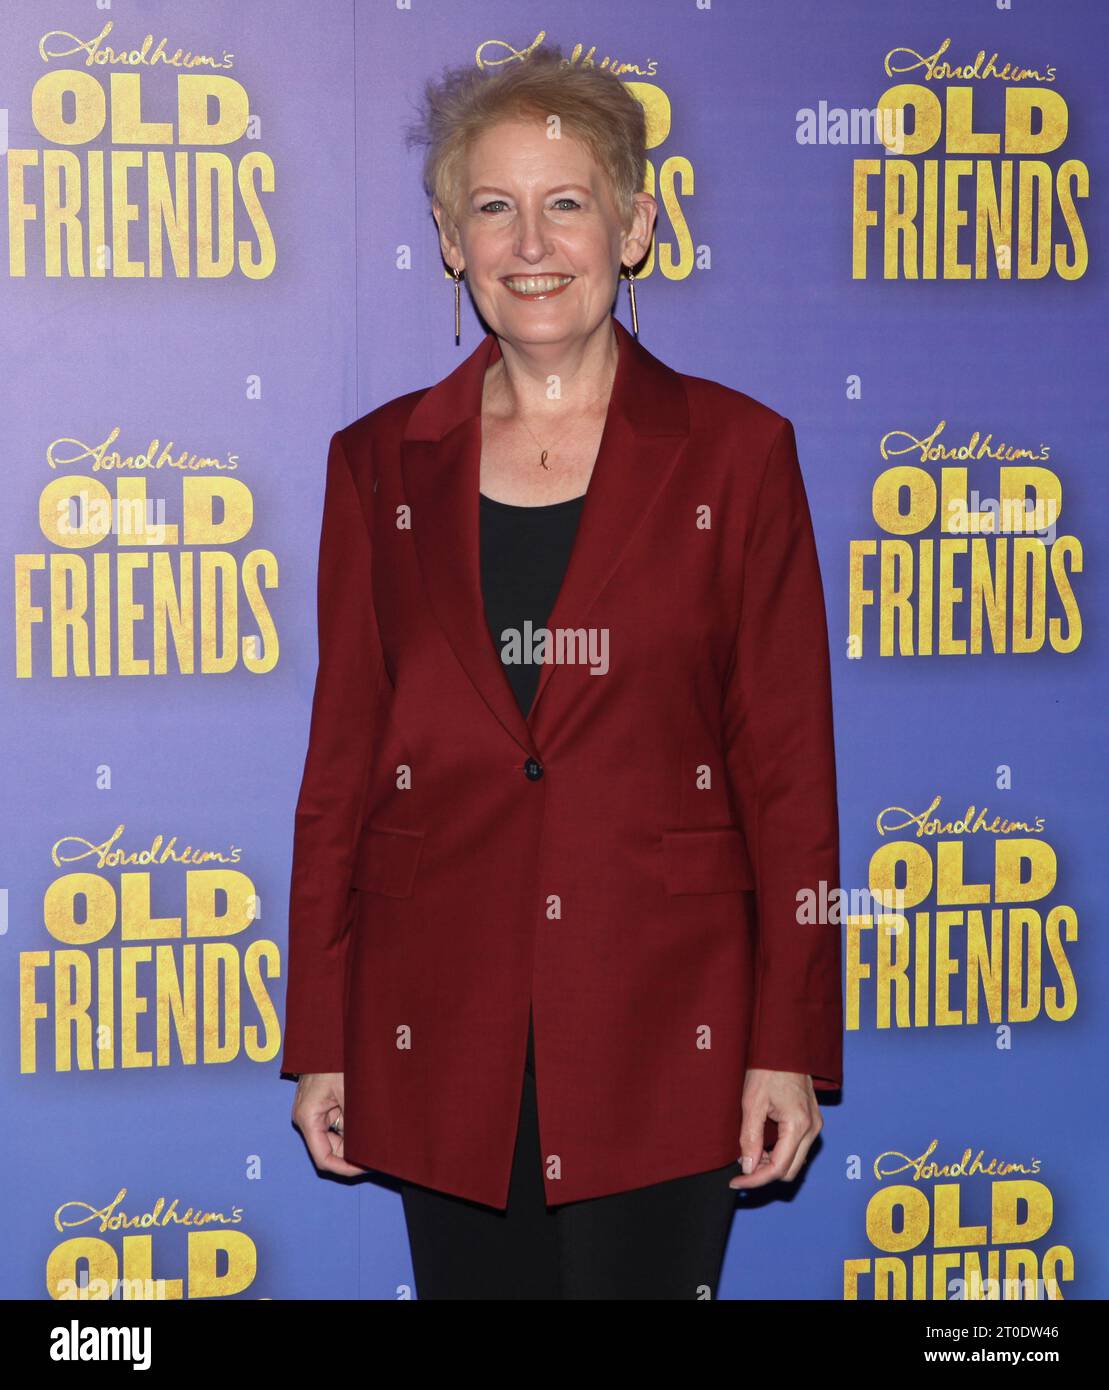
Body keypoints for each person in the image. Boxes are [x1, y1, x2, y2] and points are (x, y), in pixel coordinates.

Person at [281, 45, 842, 1300]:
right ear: (445, 237)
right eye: (492, 206)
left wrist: (786, 1045)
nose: (529, 241)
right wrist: (324, 1038)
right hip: (442, 1031)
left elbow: (789, 778)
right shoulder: (376, 467)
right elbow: (341, 770)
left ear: (635, 225)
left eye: (566, 201)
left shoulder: (738, 456)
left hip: (665, 1032)